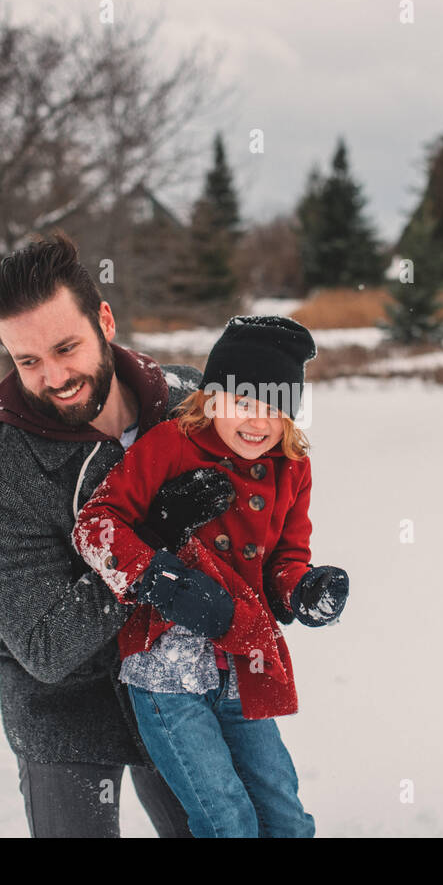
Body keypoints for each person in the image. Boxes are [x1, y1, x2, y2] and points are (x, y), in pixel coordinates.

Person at [0, 230, 234, 837]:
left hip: (181, 678)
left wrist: (289, 580)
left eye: (66, 348)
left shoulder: (189, 403)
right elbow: (45, 646)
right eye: (27, 360)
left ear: (104, 320)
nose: (53, 377)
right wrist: (148, 546)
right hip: (69, 709)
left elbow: (251, 519)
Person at [71, 315, 351, 837]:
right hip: (166, 666)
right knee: (227, 820)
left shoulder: (292, 468)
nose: (257, 421)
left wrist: (303, 590)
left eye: (274, 408)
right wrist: (160, 580)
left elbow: (286, 560)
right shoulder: (170, 446)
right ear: (212, 397)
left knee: (285, 816)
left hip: (245, 657)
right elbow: (94, 527)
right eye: (243, 402)